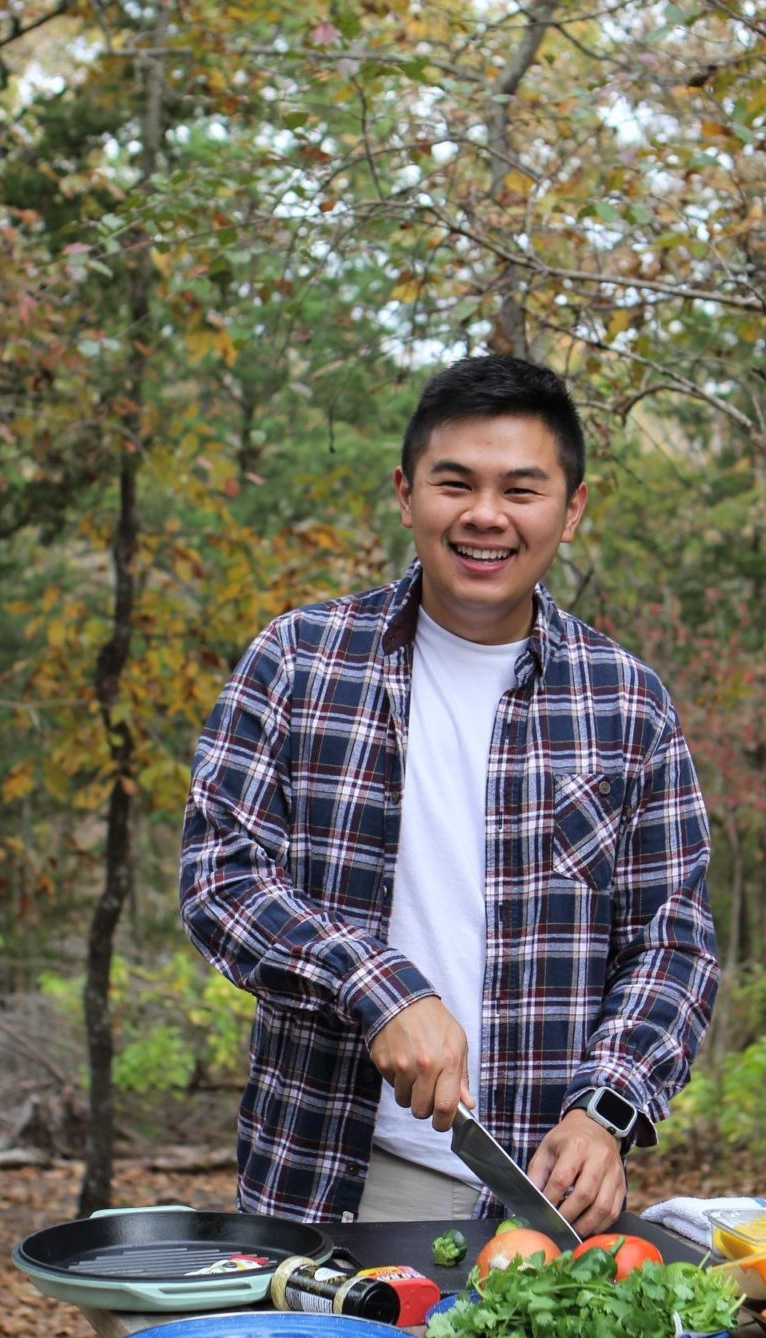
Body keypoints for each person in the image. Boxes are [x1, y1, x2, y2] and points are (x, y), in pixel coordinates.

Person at [179, 354, 718, 1237]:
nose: (485, 516)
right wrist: (377, 985)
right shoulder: (300, 662)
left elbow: (673, 944)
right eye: (455, 483)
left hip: (541, 1207)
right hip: (329, 1184)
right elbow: (221, 880)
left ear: (571, 510)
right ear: (406, 492)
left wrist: (608, 1107)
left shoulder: (626, 703)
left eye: (522, 489)